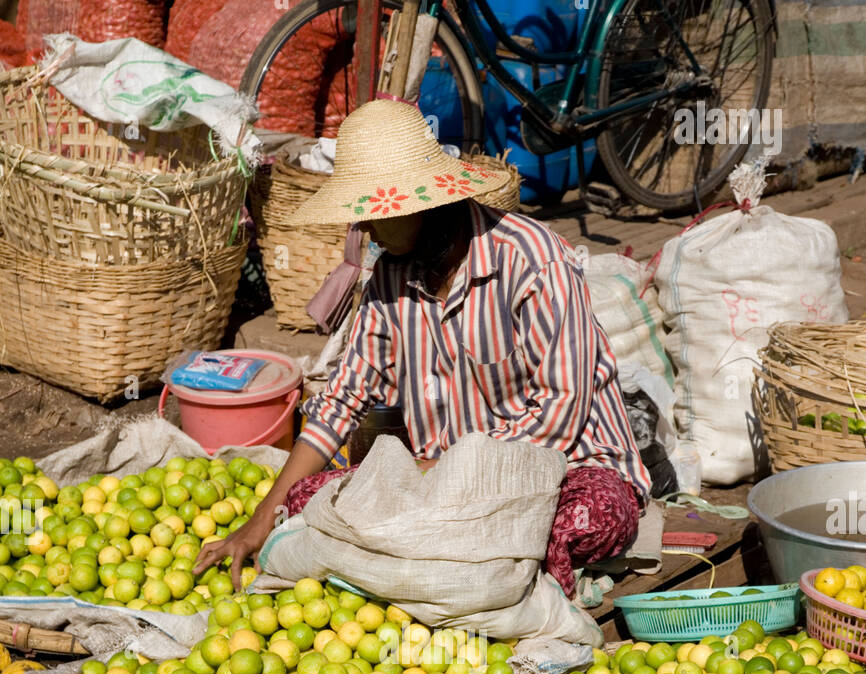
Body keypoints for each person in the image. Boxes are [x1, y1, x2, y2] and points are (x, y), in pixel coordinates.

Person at [195, 98, 650, 592]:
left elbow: (561, 408)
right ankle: (451, 561)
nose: (362, 229)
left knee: (592, 516)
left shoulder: (533, 262)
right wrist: (263, 518)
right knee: (307, 498)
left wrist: (448, 471)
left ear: (426, 204)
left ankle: (456, 567)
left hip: (561, 472)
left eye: (373, 213)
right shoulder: (389, 279)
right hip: (438, 486)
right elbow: (341, 404)